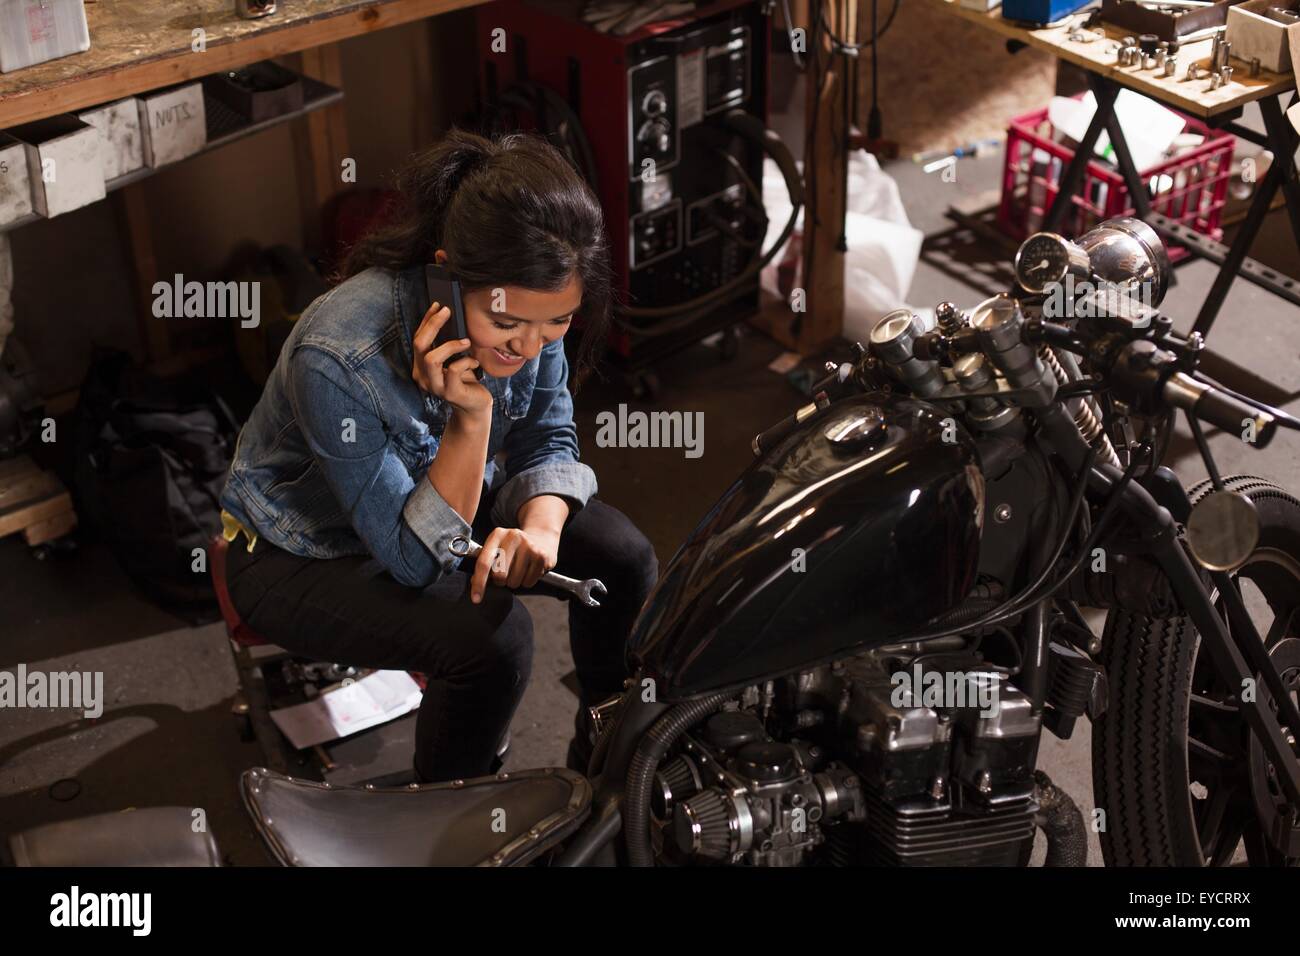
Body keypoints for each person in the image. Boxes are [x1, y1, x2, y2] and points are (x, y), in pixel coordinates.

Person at [218, 128, 658, 782]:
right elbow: (415, 561)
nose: (530, 348)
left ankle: (605, 754)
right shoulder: (338, 356)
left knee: (624, 559)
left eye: (557, 322)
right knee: (492, 639)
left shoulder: (533, 300)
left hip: (443, 498)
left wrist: (541, 527)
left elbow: (546, 434)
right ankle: (451, 815)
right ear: (450, 275)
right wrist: (470, 418)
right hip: (301, 553)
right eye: (506, 325)